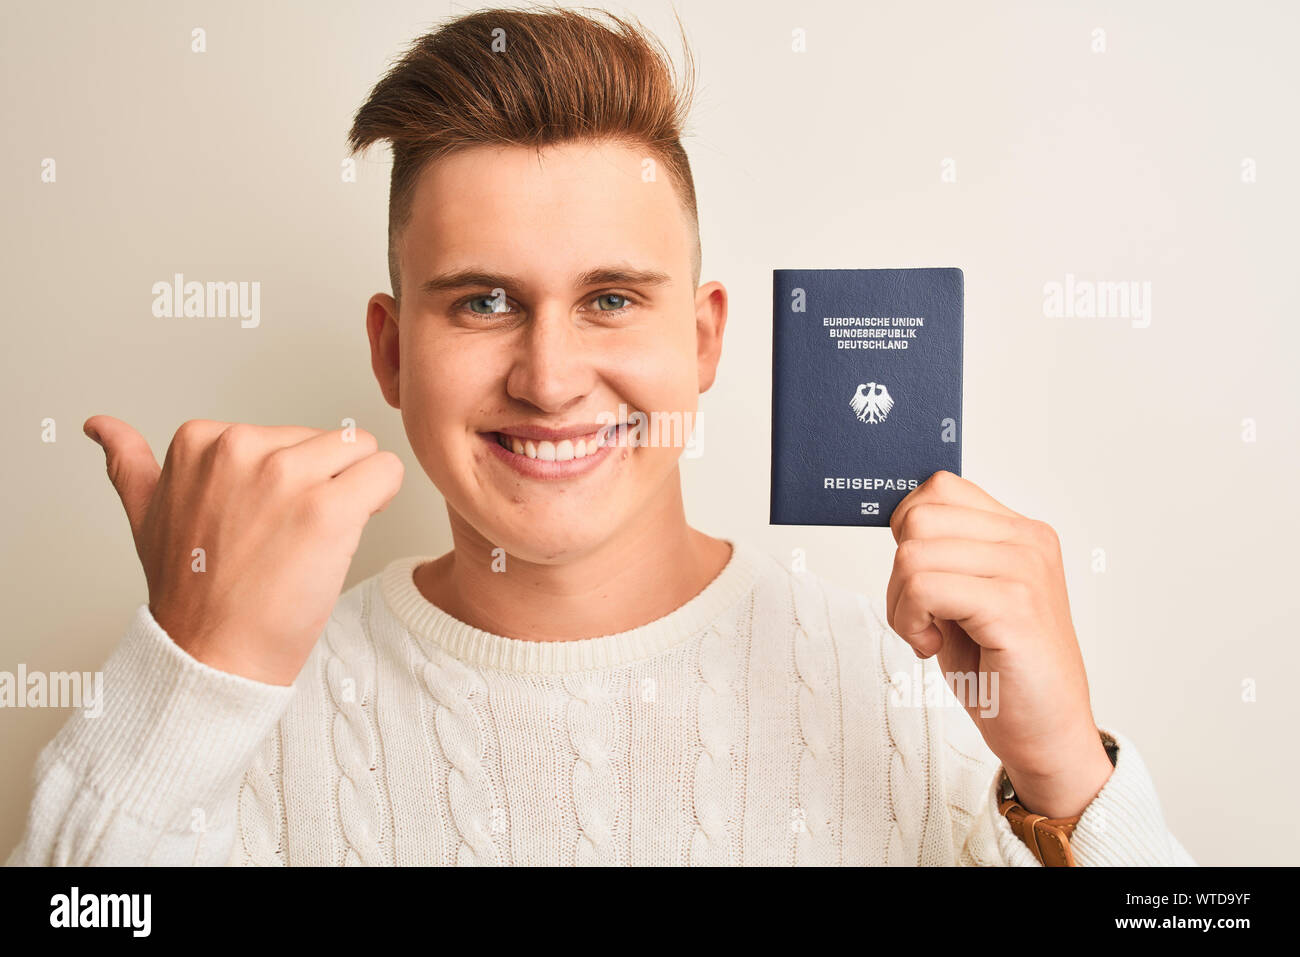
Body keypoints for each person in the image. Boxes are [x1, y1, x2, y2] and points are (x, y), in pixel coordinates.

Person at [6, 6, 1192, 867]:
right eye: (482, 301)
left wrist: (1071, 781)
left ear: (705, 339)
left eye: (612, 299)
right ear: (389, 350)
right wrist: (194, 682)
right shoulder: (247, 701)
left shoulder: (915, 688)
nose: (551, 376)